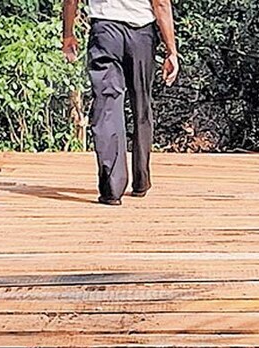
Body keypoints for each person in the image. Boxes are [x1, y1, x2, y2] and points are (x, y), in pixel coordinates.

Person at [62, 0, 179, 206]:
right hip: (141, 32)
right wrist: (171, 51)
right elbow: (160, 3)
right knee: (141, 103)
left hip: (105, 31)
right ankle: (141, 179)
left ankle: (111, 187)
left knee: (107, 106)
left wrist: (68, 33)